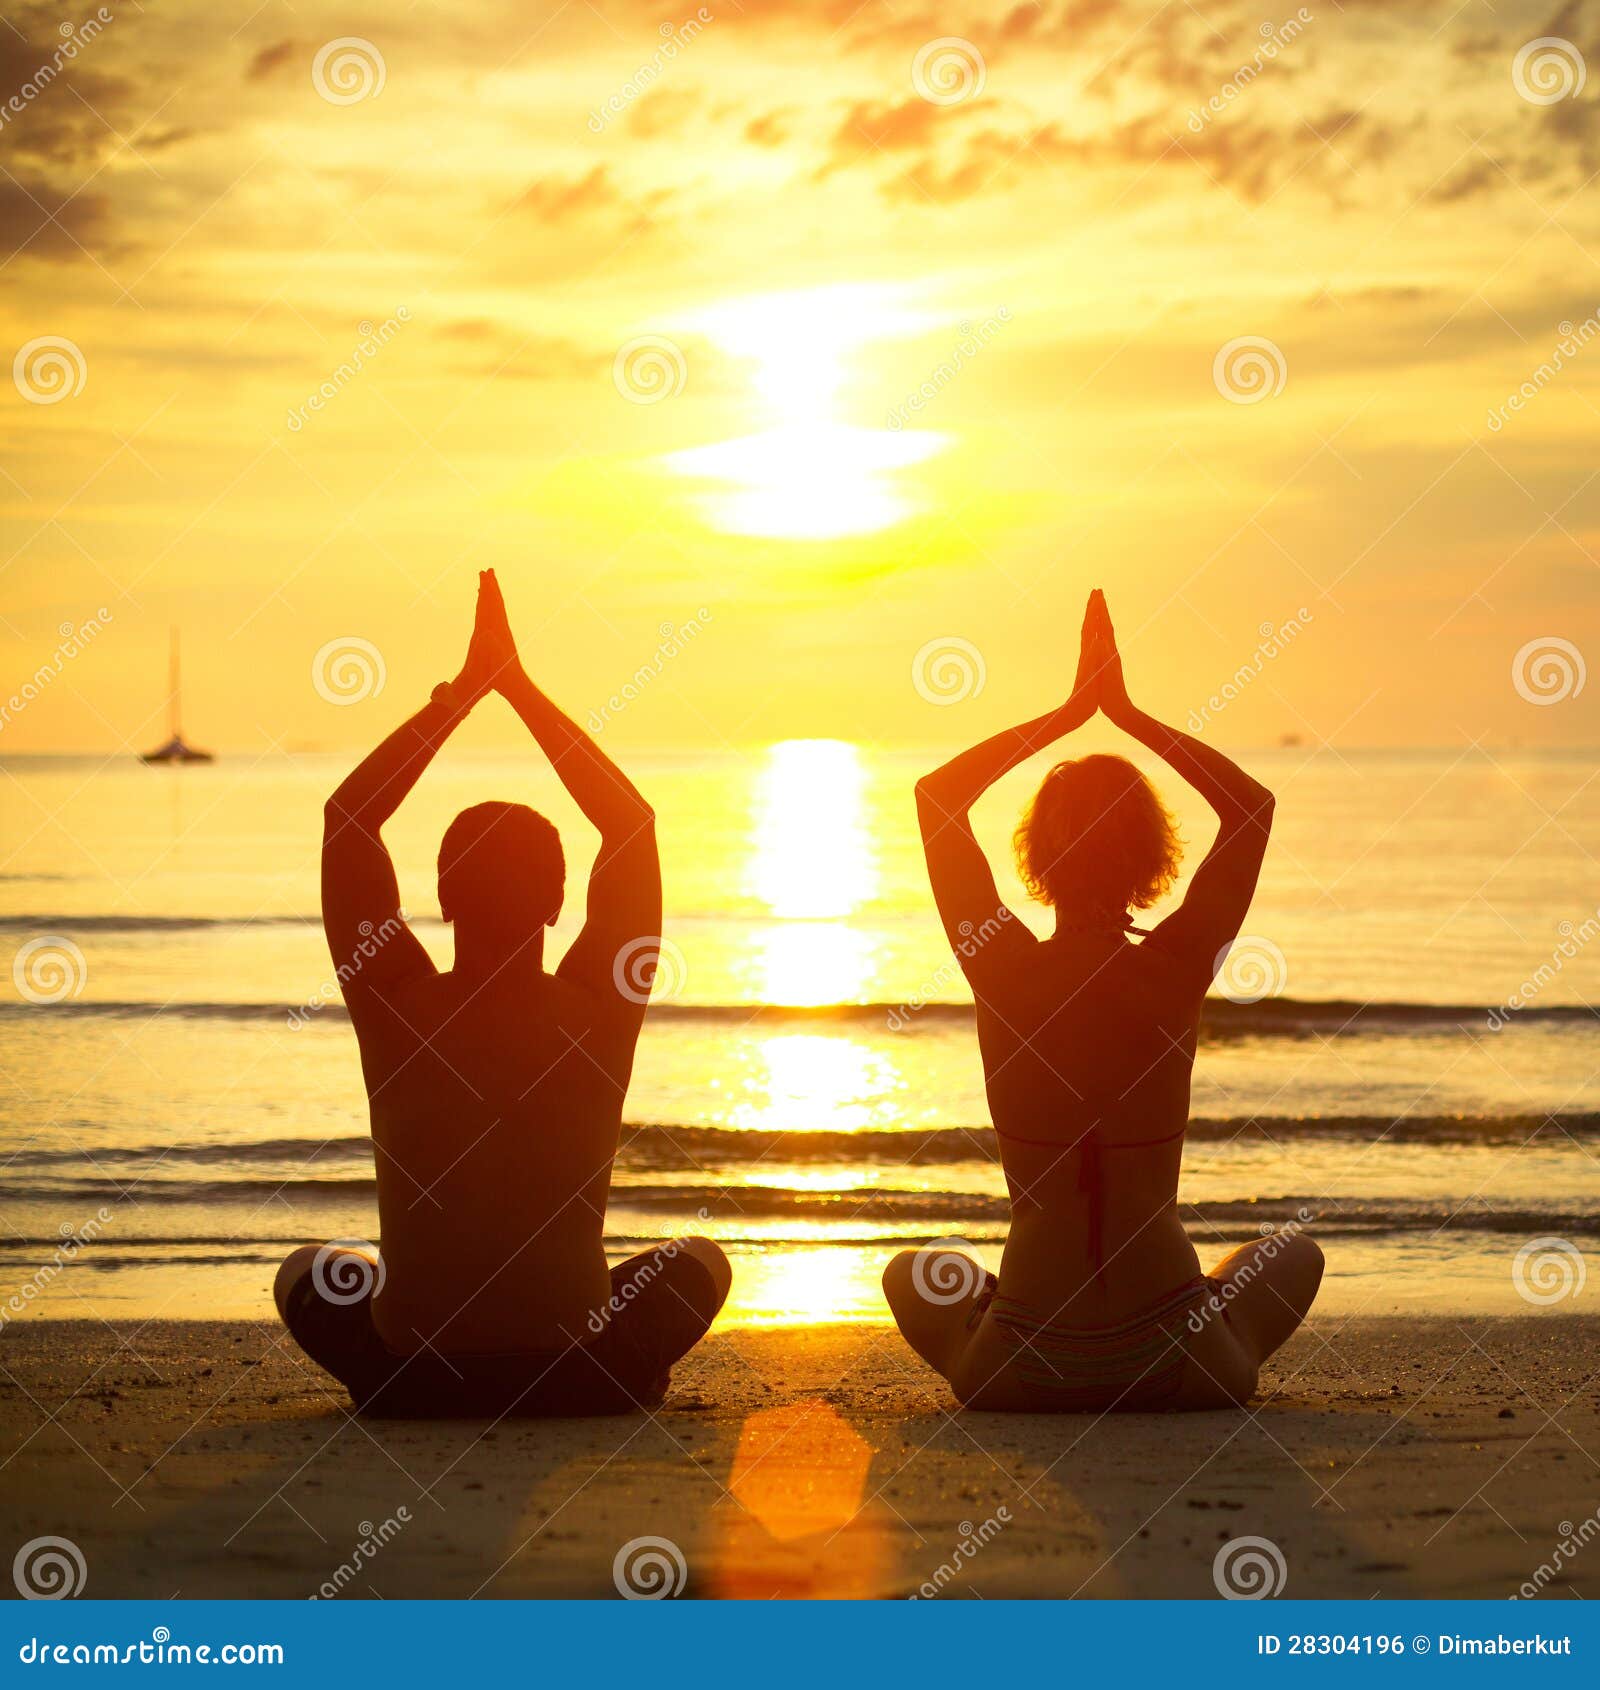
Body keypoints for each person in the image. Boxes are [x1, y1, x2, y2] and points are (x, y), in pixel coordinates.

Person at [275, 570, 729, 1416]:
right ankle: (629, 1373)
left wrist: (458, 699)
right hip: (577, 1375)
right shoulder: (600, 1007)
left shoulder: (395, 1001)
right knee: (701, 1260)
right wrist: (518, 688)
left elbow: (350, 820)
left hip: (412, 1382)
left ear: (443, 898)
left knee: (309, 1269)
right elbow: (631, 825)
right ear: (560, 904)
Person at [884, 590, 1322, 1411]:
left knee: (908, 1273)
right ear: (1152, 858)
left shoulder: (998, 965)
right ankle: (1206, 1317)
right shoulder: (1175, 967)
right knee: (1292, 1255)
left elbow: (937, 798)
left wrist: (1066, 714)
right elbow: (1251, 811)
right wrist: (1126, 713)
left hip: (1020, 1366)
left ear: (1037, 857)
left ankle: (999, 1320)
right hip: (1179, 1364)